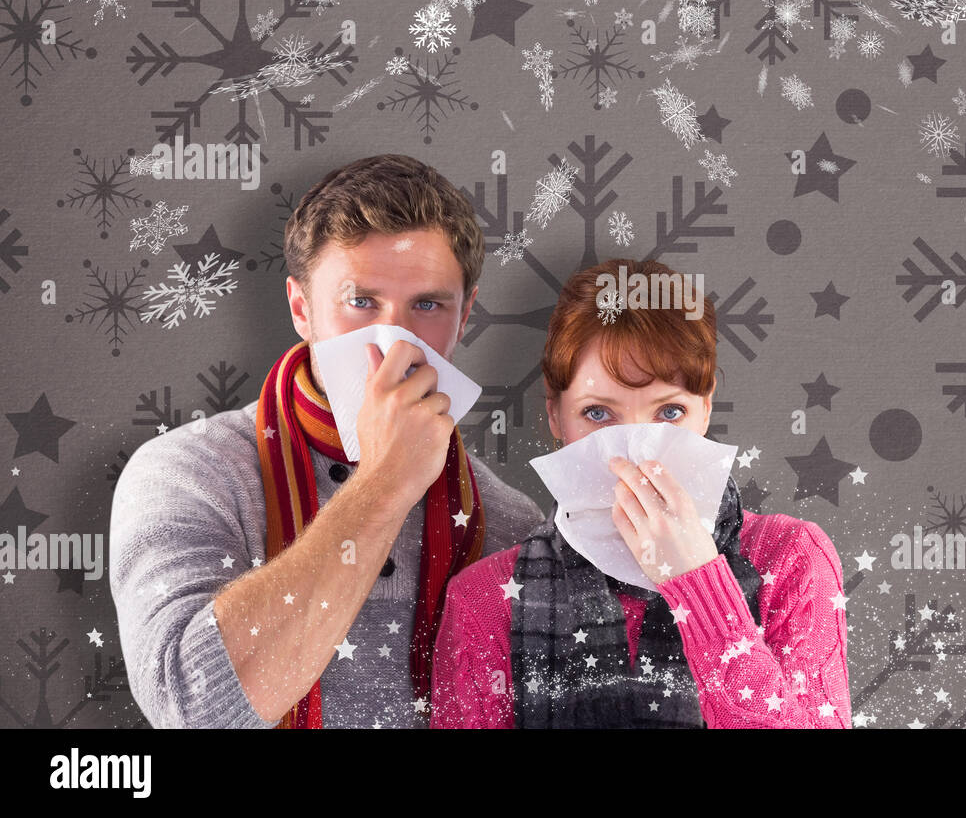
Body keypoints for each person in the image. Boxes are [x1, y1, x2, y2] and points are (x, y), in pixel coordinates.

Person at [109, 154, 544, 728]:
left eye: (427, 305)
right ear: (301, 309)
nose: (394, 340)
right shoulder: (188, 473)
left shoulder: (511, 523)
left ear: (463, 319)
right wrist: (386, 483)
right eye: (361, 302)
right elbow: (191, 709)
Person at [429, 258, 851, 727]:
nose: (634, 453)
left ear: (706, 408)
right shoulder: (485, 601)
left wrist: (697, 580)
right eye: (597, 413)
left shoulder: (789, 561)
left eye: (669, 413)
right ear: (554, 415)